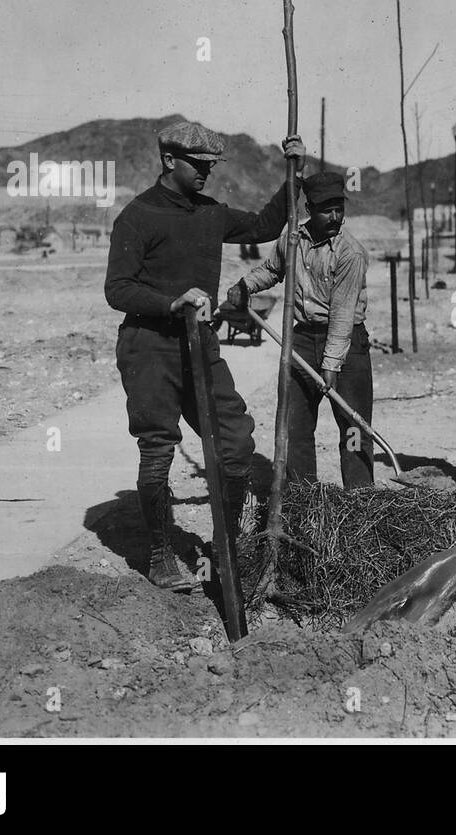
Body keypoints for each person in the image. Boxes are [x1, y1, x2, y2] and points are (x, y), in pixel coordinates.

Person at [105, 120, 305, 591]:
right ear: (169, 160)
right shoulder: (137, 216)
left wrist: (292, 173)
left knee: (235, 441)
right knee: (158, 448)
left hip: (202, 344)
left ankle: (226, 547)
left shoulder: (211, 213)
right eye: (199, 165)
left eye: (211, 166)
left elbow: (262, 224)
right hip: (150, 345)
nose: (206, 174)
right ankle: (159, 556)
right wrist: (169, 302)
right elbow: (117, 288)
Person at [227, 171, 373, 488]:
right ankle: (302, 503)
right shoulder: (292, 239)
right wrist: (245, 286)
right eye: (326, 209)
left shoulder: (350, 252)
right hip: (303, 339)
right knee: (296, 425)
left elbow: (342, 315)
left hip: (347, 344)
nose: (335, 217)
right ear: (309, 208)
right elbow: (272, 270)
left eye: (339, 208)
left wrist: (332, 365)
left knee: (352, 428)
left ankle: (360, 501)